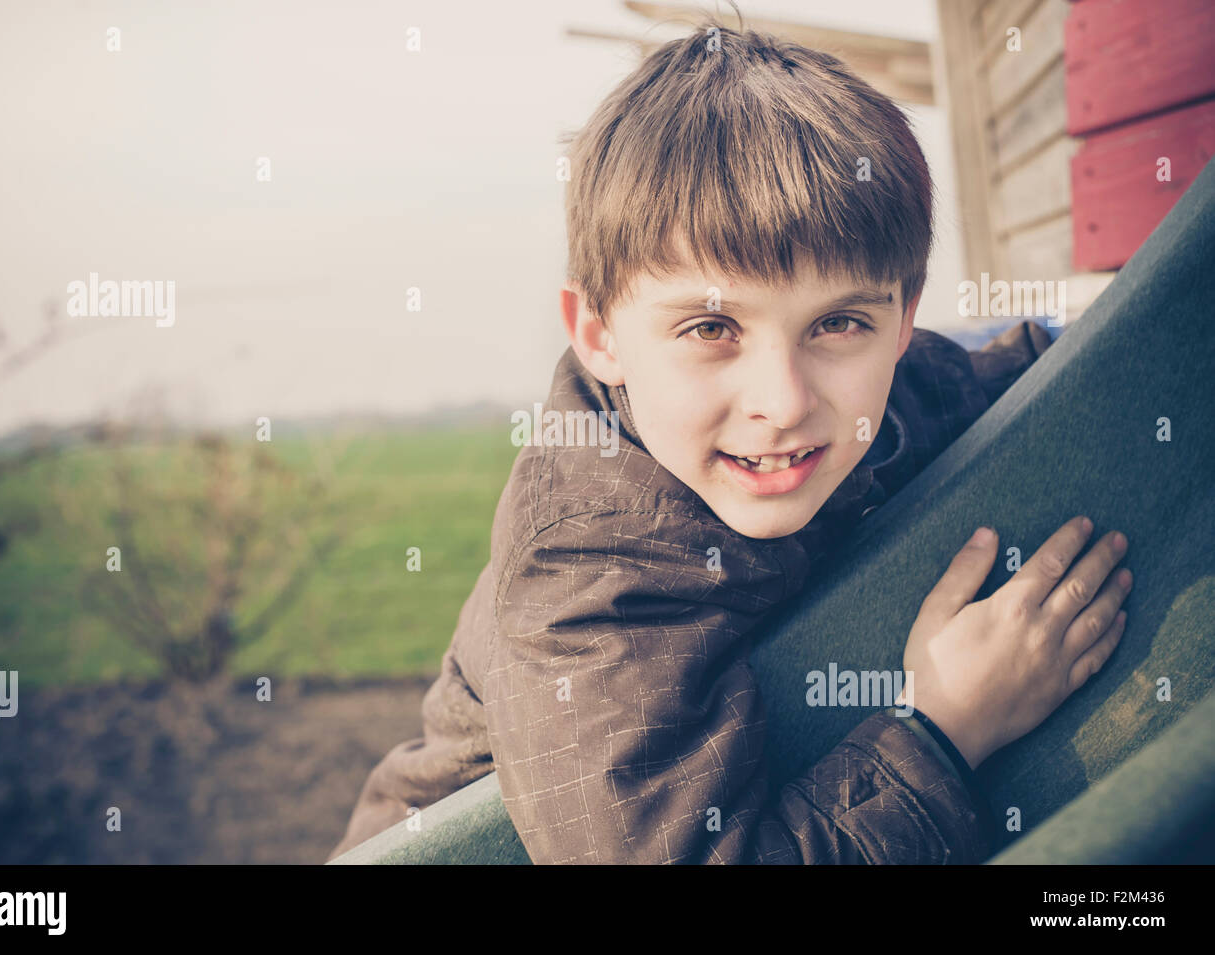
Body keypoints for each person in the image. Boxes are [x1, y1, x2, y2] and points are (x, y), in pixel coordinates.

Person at [326, 21, 1132, 864]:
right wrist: (942, 728)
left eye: (839, 322)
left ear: (902, 319)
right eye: (712, 327)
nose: (782, 401)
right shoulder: (587, 583)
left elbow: (1026, 374)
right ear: (598, 333)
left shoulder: (892, 392)